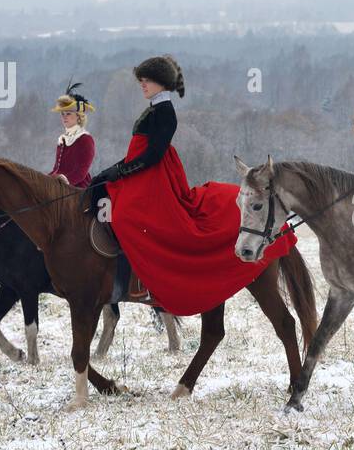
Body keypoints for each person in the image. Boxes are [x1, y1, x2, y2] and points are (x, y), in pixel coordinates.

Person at [86, 55, 296, 315]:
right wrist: (113, 171)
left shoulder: (165, 112)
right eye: (141, 80)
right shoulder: (152, 109)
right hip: (141, 172)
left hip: (155, 176)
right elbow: (138, 151)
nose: (142, 84)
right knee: (102, 195)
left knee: (126, 216)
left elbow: (152, 156)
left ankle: (143, 282)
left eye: (147, 80)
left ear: (161, 83)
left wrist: (120, 171)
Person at [48, 83, 95, 187]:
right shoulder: (62, 139)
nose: (64, 117)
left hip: (77, 191)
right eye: (62, 114)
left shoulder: (86, 139)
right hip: (59, 188)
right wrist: (44, 180)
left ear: (79, 116)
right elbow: (57, 169)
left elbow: (80, 173)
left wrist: (62, 184)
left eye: (68, 113)